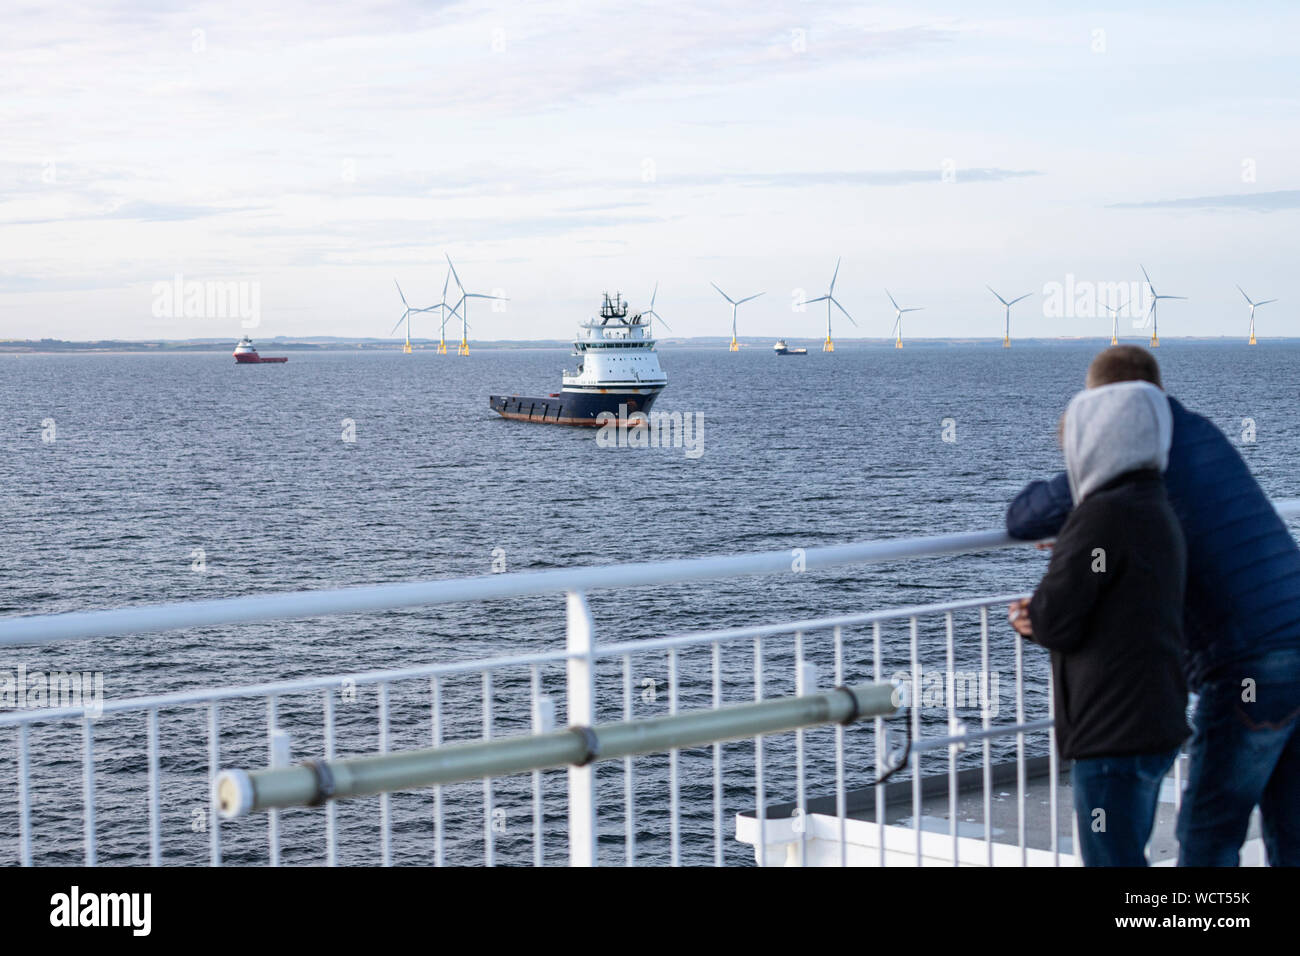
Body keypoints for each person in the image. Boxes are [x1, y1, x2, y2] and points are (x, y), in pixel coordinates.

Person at [1007, 345, 1300, 867]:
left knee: (1210, 830)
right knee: (1290, 823)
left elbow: (1026, 515)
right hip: (1291, 630)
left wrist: (1078, 521)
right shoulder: (1197, 431)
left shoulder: (1139, 453)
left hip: (1250, 660)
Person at [1008, 380, 1188, 865]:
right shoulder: (1157, 505)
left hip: (1112, 729)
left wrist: (1031, 618)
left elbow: (1056, 616)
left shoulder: (1100, 518)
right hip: (1156, 719)